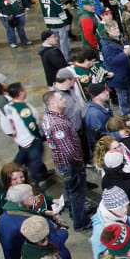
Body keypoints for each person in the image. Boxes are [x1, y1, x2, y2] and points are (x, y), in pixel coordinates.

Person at [41, 90, 89, 232]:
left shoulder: (50, 117)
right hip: (70, 165)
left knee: (71, 191)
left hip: (63, 164)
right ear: (53, 103)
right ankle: (81, 222)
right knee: (77, 193)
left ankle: (75, 214)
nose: (64, 100)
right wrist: (80, 160)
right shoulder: (57, 124)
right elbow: (68, 150)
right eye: (61, 98)